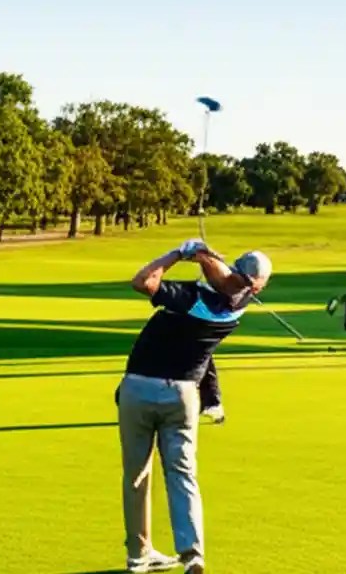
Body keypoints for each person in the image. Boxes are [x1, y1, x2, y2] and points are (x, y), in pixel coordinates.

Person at [117, 239, 272, 573]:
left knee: (136, 475)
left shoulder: (191, 298)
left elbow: (142, 281)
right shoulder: (237, 305)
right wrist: (204, 259)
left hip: (139, 388)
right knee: (183, 473)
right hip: (184, 395)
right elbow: (226, 281)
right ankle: (192, 553)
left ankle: (138, 556)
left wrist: (178, 253)